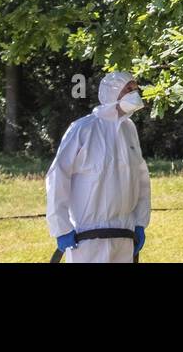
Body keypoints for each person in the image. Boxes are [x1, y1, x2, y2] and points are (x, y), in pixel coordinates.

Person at [45, 71, 151, 263]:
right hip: (86, 238)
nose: (134, 92)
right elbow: (58, 176)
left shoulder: (129, 129)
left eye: (135, 88)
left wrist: (140, 222)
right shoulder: (82, 129)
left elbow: (141, 177)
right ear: (113, 92)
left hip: (124, 235)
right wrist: (61, 227)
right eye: (128, 88)